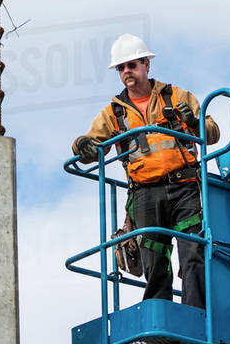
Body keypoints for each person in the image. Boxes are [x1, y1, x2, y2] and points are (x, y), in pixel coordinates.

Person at [72, 34, 220, 309]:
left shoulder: (177, 97)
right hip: (145, 194)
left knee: (194, 254)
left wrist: (193, 122)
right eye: (121, 68)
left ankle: (196, 318)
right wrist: (82, 145)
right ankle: (159, 323)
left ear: (146, 65)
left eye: (132, 65)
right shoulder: (114, 113)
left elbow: (212, 133)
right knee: (154, 262)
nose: (126, 71)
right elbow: (90, 144)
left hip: (185, 187)